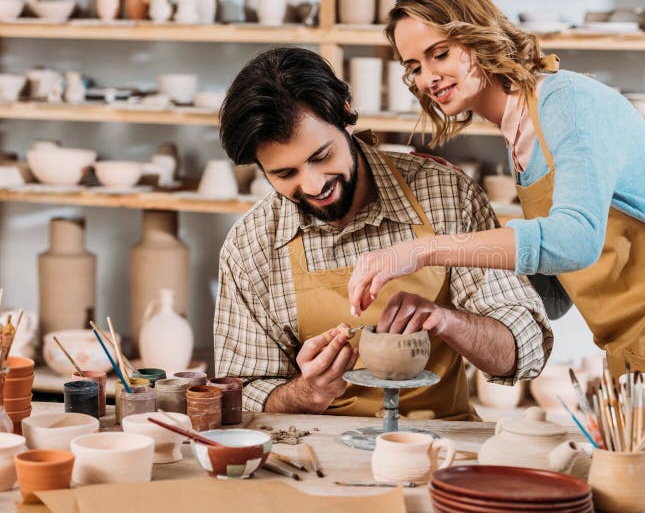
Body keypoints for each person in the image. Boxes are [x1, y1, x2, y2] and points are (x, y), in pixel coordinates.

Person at [345, 0, 645, 510]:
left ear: (478, 33)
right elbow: (559, 293)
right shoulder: (519, 135)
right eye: (414, 66)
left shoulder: (565, 102)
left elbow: (576, 241)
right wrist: (448, 310)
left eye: (439, 53)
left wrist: (425, 250)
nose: (427, 78)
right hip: (635, 356)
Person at [213, 47, 553, 421]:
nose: (313, 186)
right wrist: (306, 393)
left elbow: (526, 351)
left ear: (346, 117)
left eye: (321, 156)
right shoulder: (252, 244)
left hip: (441, 445)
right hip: (318, 453)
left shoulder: (445, 195)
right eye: (284, 174)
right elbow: (241, 395)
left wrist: (447, 320)